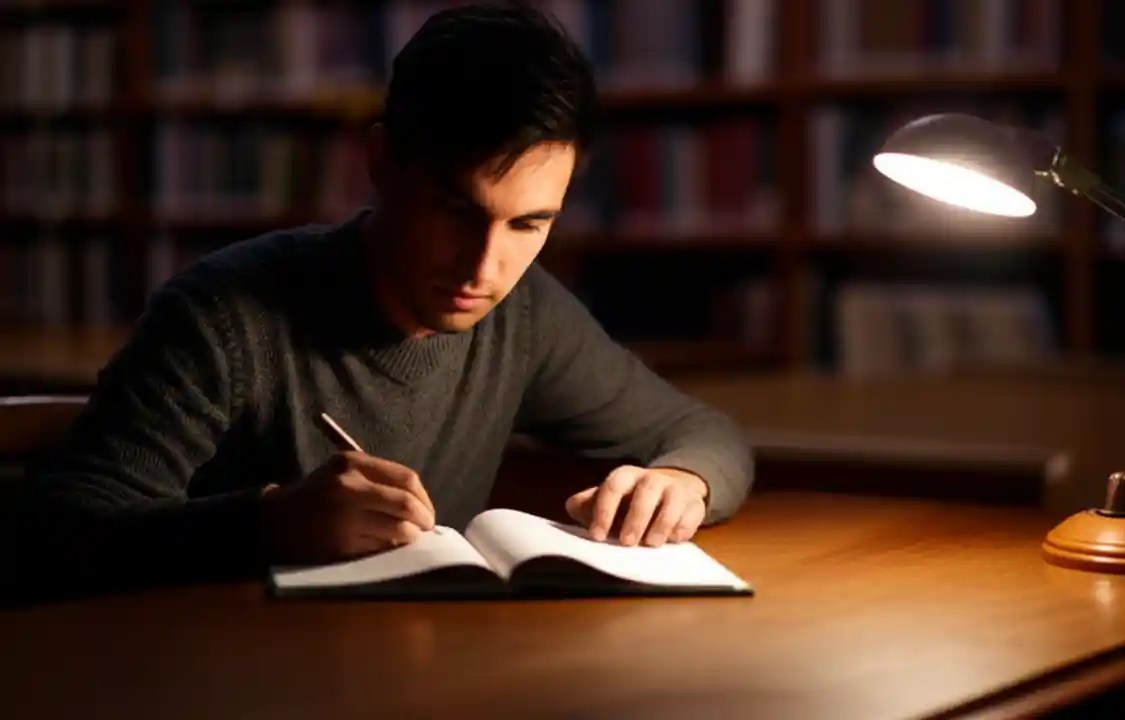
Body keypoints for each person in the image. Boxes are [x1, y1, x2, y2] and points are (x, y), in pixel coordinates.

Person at [5, 2, 753, 594]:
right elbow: (55, 531)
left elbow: (708, 434)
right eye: (456, 212)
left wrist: (683, 479)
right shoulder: (225, 315)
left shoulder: (525, 317)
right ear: (381, 165)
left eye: (530, 223)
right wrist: (266, 524)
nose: (487, 266)